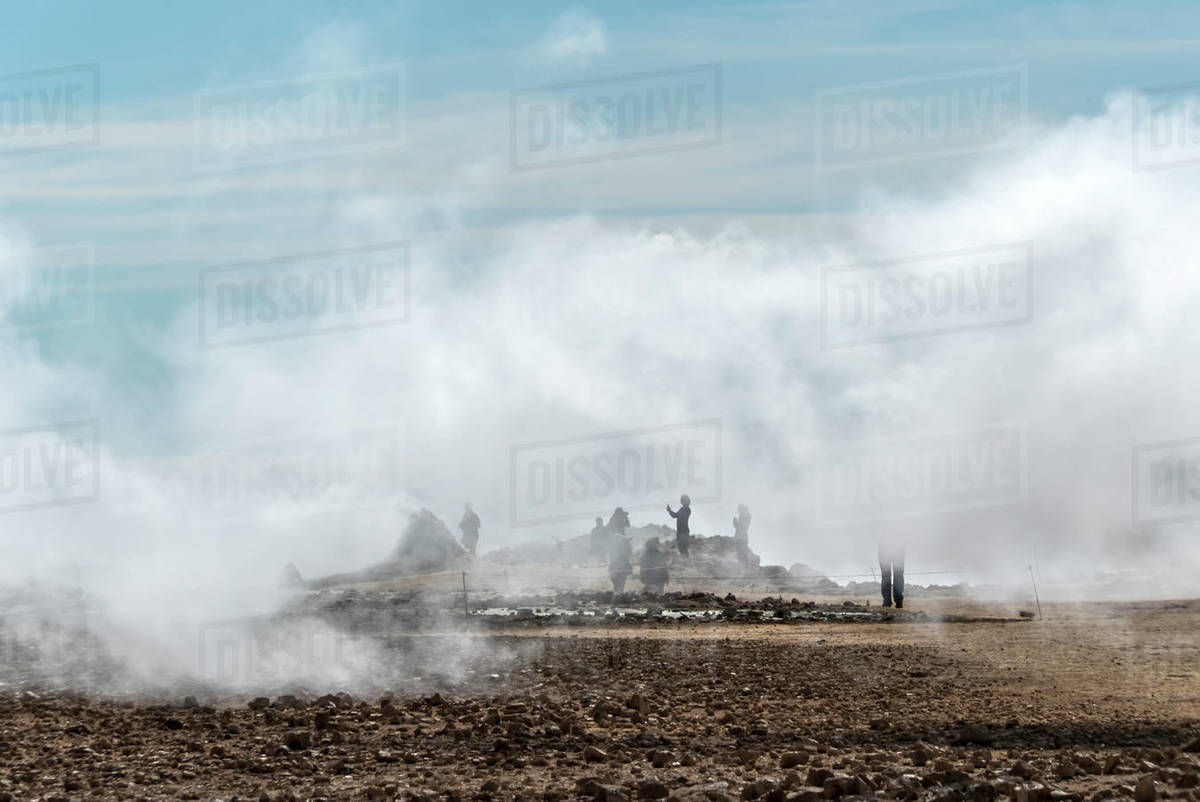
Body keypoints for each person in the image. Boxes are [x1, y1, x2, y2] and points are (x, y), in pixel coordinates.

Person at [878, 542, 905, 609]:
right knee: (894, 575)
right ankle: (894, 601)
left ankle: (890, 602)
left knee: (889, 576)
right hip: (893, 549)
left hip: (893, 549)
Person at [732, 504, 751, 569]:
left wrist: (736, 522)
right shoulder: (743, 516)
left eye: (739, 509)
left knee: (742, 554)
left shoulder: (746, 515)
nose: (738, 511)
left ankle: (744, 570)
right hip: (740, 538)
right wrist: (735, 523)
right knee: (740, 554)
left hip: (742, 538)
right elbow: (738, 527)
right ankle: (742, 569)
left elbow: (743, 527)